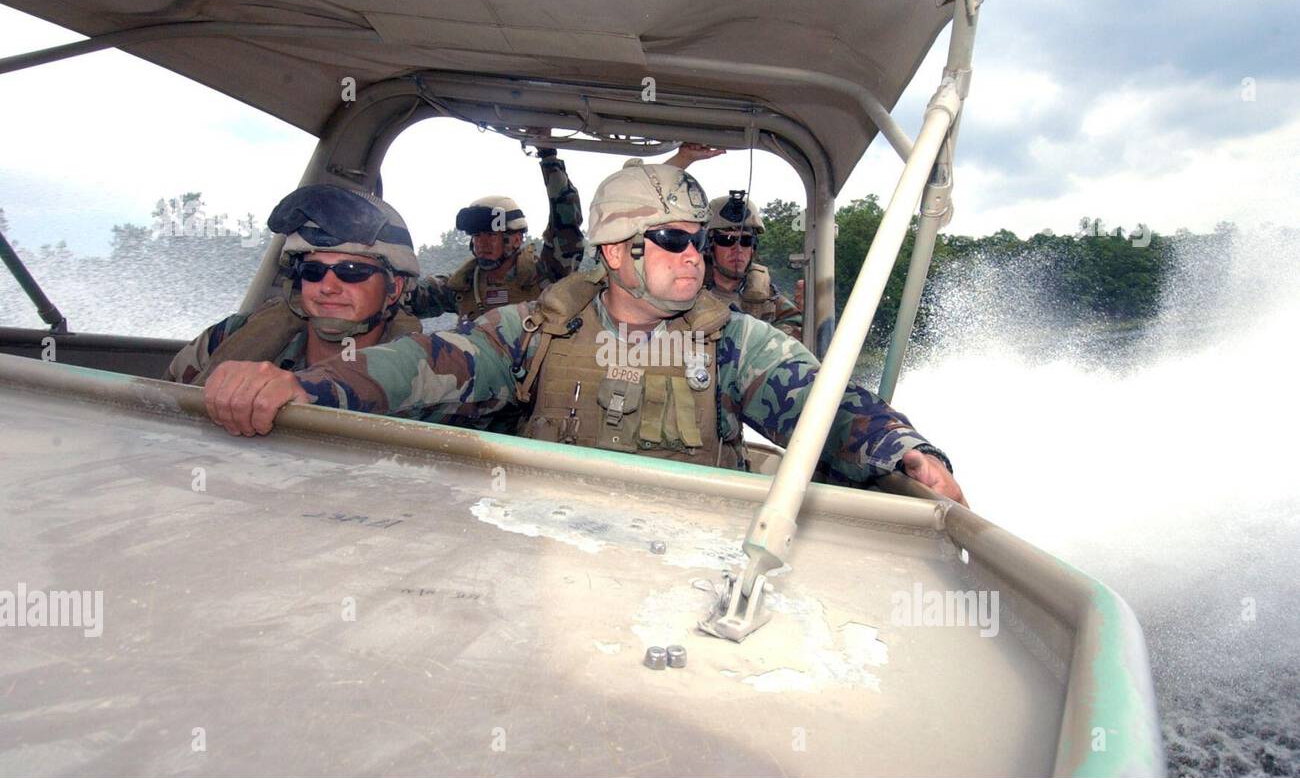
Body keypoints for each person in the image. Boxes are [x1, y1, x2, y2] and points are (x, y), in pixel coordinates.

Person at [197, 162, 965, 504]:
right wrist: (305, 385)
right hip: (534, 542)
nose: (693, 256)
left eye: (696, 239)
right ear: (614, 253)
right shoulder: (530, 330)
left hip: (691, 555)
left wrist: (908, 453)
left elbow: (823, 405)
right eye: (670, 241)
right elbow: (423, 366)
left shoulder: (733, 341)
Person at [164, 184, 421, 386]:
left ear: (394, 288)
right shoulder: (230, 336)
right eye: (313, 270)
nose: (328, 286)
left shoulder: (424, 373)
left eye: (351, 271)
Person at [408, 147, 586, 323]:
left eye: (490, 235)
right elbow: (405, 296)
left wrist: (548, 157)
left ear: (515, 239)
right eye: (477, 235)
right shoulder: (462, 285)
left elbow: (566, 223)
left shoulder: (545, 274)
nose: (481, 243)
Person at [704, 190, 802, 337]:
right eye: (727, 240)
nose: (737, 249)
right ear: (709, 245)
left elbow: (795, 324)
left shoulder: (765, 295)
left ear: (753, 247)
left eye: (746, 241)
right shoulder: (690, 290)